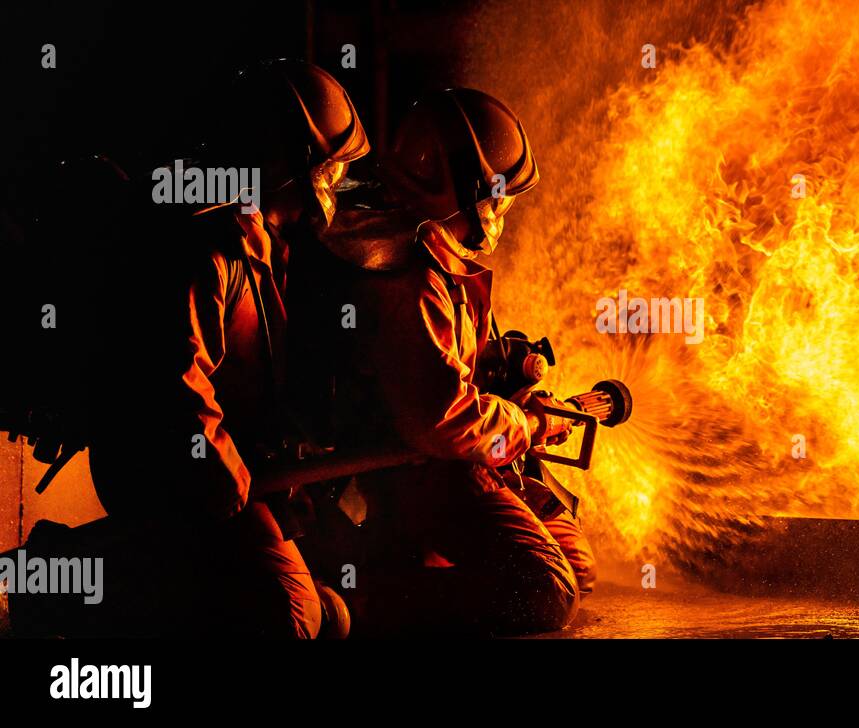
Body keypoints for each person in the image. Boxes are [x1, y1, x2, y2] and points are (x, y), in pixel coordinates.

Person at [10, 60, 369, 638]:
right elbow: (176, 386)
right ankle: (56, 577)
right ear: (281, 162)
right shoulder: (203, 243)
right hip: (167, 471)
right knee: (287, 617)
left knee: (332, 602)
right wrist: (227, 474)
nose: (329, 187)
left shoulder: (260, 236)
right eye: (326, 169)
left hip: (228, 466)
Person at [302, 88, 596, 636]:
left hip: (452, 461)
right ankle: (367, 595)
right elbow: (439, 417)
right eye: (499, 200)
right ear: (466, 194)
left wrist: (511, 380)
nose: (503, 215)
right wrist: (524, 424)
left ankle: (410, 570)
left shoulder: (436, 257)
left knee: (579, 565)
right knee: (545, 593)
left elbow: (464, 366)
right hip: (417, 470)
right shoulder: (409, 278)